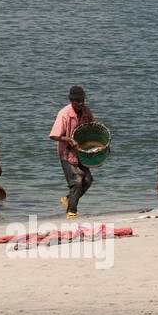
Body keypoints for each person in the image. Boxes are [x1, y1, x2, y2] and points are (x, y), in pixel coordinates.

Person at [49, 85, 96, 218]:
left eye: (82, 100)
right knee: (76, 181)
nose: (81, 103)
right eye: (78, 101)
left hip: (81, 152)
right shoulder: (64, 114)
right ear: (71, 101)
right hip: (66, 152)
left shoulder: (86, 112)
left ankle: (69, 199)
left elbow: (93, 128)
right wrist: (68, 139)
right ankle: (71, 211)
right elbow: (53, 135)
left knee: (88, 180)